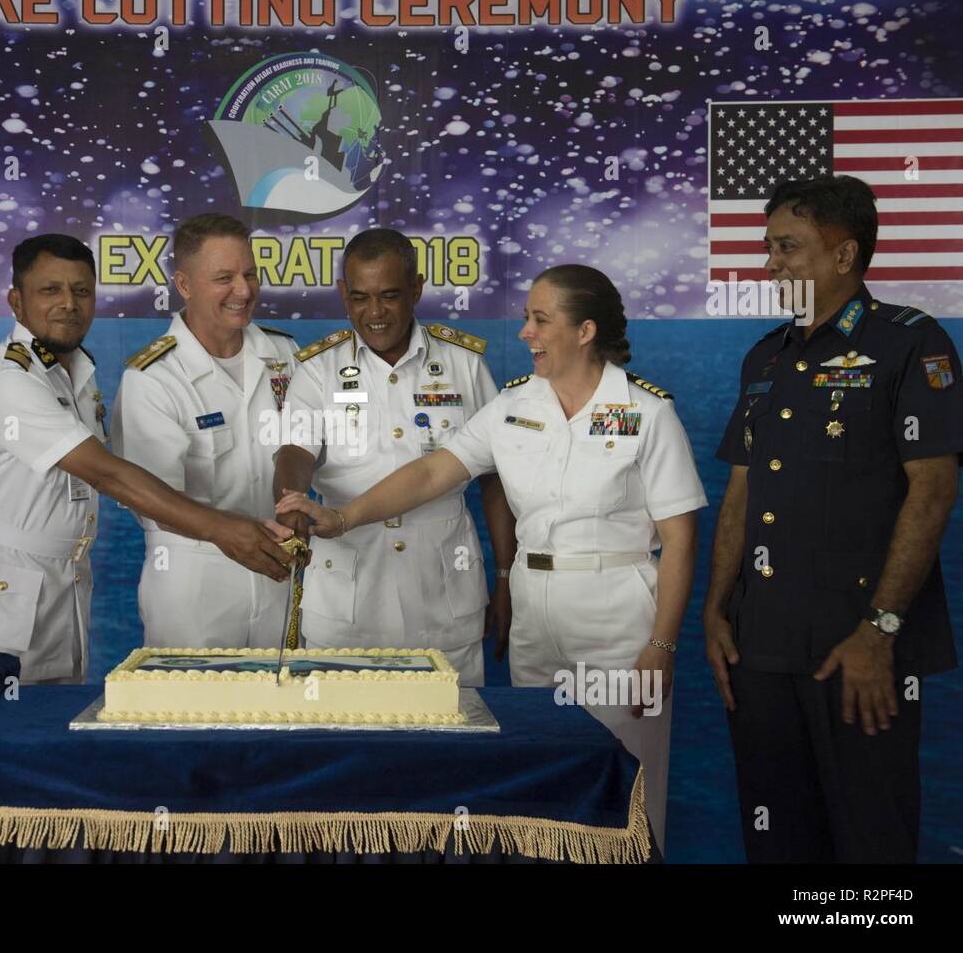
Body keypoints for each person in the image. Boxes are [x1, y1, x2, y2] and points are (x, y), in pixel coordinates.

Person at [276, 264, 705, 850]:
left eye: (539, 320)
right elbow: (433, 471)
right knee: (544, 788)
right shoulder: (513, 405)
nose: (525, 332)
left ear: (584, 331)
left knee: (629, 791)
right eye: (527, 318)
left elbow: (680, 539)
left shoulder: (646, 413)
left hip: (619, 621)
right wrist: (345, 517)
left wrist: (661, 646)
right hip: (535, 617)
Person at [704, 174, 962, 863]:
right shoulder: (766, 356)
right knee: (778, 843)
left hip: (859, 650)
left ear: (844, 256)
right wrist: (716, 609)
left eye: (787, 247)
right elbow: (740, 493)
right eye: (768, 248)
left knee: (869, 847)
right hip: (760, 649)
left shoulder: (912, 343)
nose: (769, 265)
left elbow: (933, 491)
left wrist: (879, 630)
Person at [0, 234, 293, 683]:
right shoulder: (12, 380)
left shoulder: (73, 371)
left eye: (81, 291)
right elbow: (106, 473)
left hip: (61, 580)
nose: (69, 304)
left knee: (49, 726)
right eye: (50, 291)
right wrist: (225, 529)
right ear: (16, 303)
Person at [271, 228, 515, 686]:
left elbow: (496, 479)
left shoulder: (464, 364)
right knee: (345, 741)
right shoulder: (317, 369)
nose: (375, 313)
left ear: (417, 289)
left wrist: (505, 575)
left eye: (390, 296)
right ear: (343, 293)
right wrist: (290, 498)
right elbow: (293, 450)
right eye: (360, 297)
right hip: (347, 589)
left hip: (441, 587)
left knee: (451, 736)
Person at [111, 214, 302, 648]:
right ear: (184, 284)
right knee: (193, 710)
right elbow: (151, 501)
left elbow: (310, 446)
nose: (244, 290)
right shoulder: (153, 377)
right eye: (224, 278)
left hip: (280, 571)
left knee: (283, 709)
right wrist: (230, 531)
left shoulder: (284, 354)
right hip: (195, 582)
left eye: (250, 273)